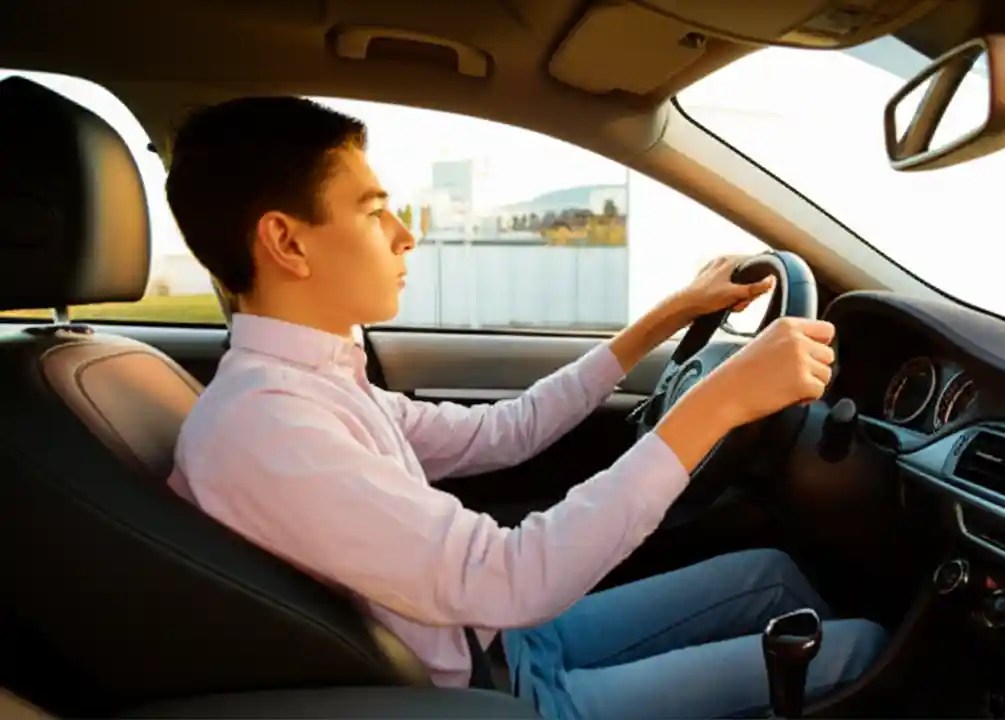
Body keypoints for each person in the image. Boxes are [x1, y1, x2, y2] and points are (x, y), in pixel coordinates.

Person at [163, 96, 887, 719]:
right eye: (374, 209)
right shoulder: (269, 428)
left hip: (502, 640)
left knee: (767, 575)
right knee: (860, 653)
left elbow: (504, 433)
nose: (404, 234)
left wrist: (660, 323)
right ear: (287, 241)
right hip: (498, 697)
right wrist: (722, 400)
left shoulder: (310, 386)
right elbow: (514, 576)